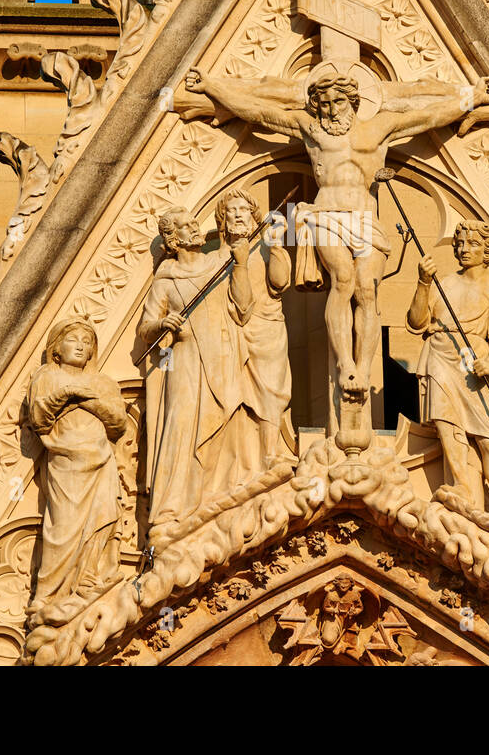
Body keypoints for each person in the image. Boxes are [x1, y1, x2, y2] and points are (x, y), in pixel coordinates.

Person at [184, 66, 489, 401]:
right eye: (324, 103)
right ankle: (345, 364)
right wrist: (213, 86)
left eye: (338, 101)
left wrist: (475, 97)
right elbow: (260, 112)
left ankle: (363, 368)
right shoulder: (310, 129)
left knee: (367, 290)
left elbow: (430, 116)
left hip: (365, 219)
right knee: (343, 278)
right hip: (326, 215)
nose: (332, 109)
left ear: (353, 101)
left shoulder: (380, 127)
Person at [406, 220, 489, 548]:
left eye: (471, 244)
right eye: (459, 244)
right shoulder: (444, 284)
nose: (463, 250)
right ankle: (461, 484)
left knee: (488, 435)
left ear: (486, 251)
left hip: (472, 362)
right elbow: (417, 322)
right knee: (447, 421)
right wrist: (423, 282)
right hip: (439, 354)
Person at [139, 207, 250, 540]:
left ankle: (215, 497)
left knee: (225, 423)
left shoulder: (220, 262)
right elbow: (147, 327)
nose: (196, 229)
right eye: (187, 226)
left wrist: (242, 263)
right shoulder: (167, 278)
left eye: (194, 224)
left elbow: (243, 308)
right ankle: (171, 509)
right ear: (174, 240)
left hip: (224, 356)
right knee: (181, 426)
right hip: (184, 360)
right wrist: (163, 323)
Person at [26, 319, 128, 625]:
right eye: (73, 339)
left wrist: (82, 397)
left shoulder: (103, 383)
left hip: (100, 460)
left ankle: (88, 579)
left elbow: (118, 421)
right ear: (56, 347)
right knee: (64, 526)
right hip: (66, 462)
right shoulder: (47, 376)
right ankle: (47, 596)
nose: (81, 345)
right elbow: (40, 418)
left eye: (87, 341)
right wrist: (68, 392)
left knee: (101, 518)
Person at [201, 189, 295, 494]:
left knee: (272, 392)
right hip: (231, 334)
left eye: (245, 209)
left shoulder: (264, 248)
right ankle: (232, 462)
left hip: (267, 329)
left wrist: (277, 244)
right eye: (232, 209)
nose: (239, 214)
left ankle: (270, 452)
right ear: (222, 219)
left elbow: (280, 283)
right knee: (232, 397)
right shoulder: (214, 256)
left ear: (255, 216)